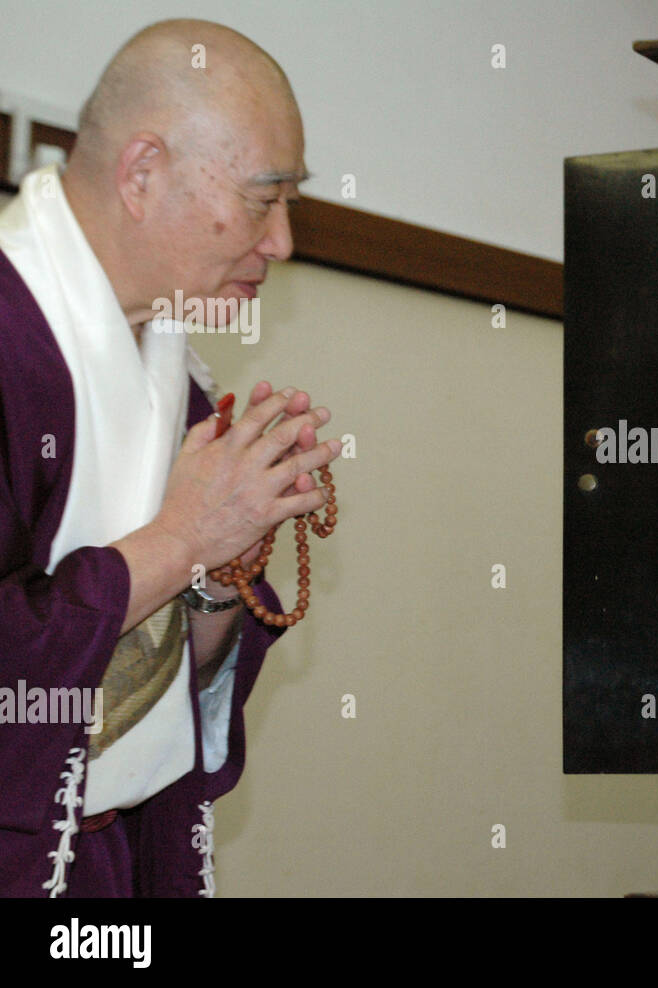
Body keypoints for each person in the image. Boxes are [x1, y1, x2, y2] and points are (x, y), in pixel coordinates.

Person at [0, 20, 341, 896]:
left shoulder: (170, 370)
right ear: (142, 172)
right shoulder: (10, 341)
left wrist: (221, 569)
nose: (281, 243)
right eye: (265, 200)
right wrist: (185, 535)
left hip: (106, 856)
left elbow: (157, 678)